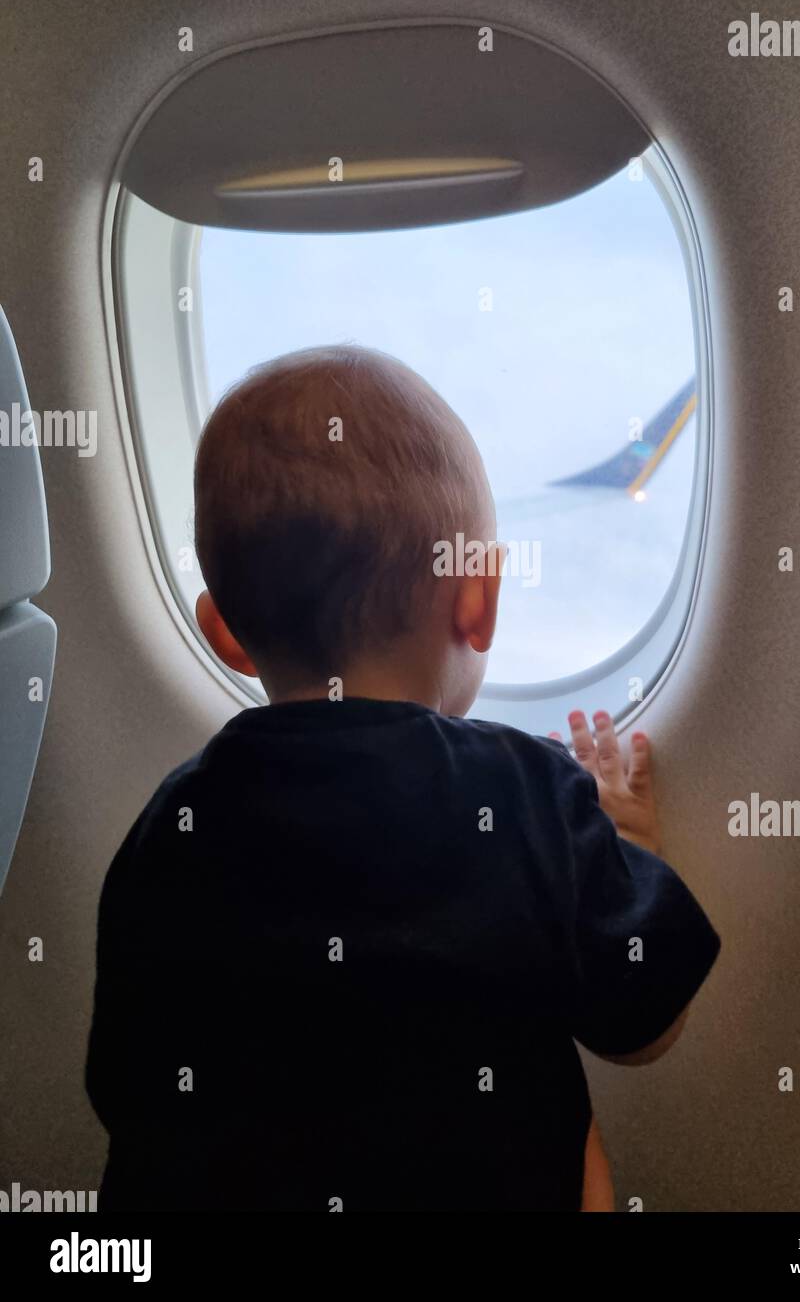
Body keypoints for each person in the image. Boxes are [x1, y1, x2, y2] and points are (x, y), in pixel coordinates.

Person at [86, 345, 720, 1211]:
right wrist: (628, 842)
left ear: (221, 633)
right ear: (480, 600)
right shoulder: (527, 796)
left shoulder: (172, 826)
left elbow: (126, 1088)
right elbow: (646, 1023)